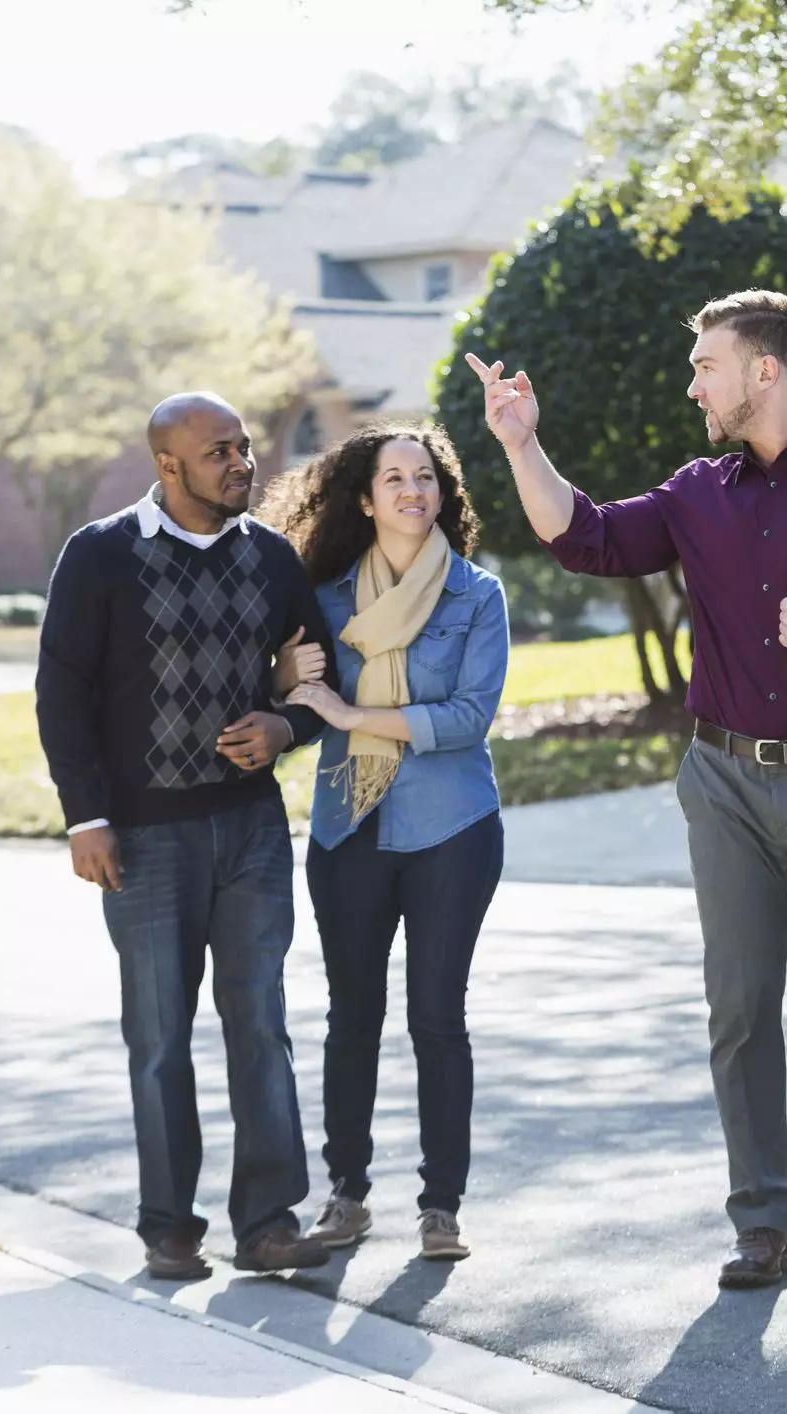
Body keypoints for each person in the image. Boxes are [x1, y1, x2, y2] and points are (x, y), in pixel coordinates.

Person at [464, 289, 787, 1288]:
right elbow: (591, 538)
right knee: (740, 1007)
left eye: (707, 366)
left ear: (765, 371)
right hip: (724, 781)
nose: (693, 384)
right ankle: (761, 1219)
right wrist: (523, 445)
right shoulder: (699, 491)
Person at [35, 391, 336, 1282]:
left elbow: (313, 677)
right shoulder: (99, 556)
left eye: (243, 448)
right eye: (220, 452)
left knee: (261, 1027)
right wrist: (85, 817)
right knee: (161, 1037)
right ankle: (169, 1226)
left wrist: (286, 727)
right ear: (168, 466)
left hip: (250, 833)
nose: (241, 462)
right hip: (143, 840)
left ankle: (268, 1222)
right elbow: (63, 695)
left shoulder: (271, 557)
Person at [258, 424, 508, 1263]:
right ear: (365, 501)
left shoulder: (477, 596)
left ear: (444, 494)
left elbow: (472, 717)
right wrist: (289, 685)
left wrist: (357, 716)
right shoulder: (323, 600)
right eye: (394, 478)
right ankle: (347, 1193)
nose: (412, 490)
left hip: (453, 830)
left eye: (426, 477)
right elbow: (287, 690)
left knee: (437, 1017)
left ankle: (441, 1207)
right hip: (347, 826)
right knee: (351, 1017)